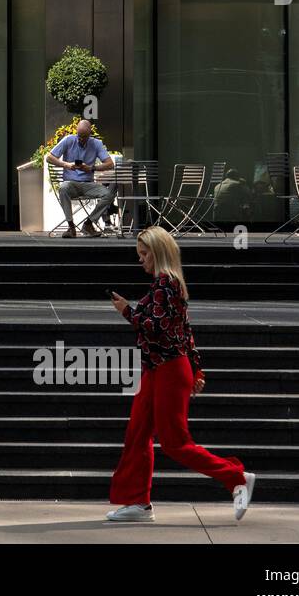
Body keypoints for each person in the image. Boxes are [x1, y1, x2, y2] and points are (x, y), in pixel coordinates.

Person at [105, 226, 256, 523]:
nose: (141, 260)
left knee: (175, 442)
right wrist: (197, 367)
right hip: (160, 369)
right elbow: (185, 331)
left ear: (158, 253)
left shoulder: (165, 284)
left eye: (145, 254)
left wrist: (126, 311)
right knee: (137, 433)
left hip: (169, 370)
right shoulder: (169, 285)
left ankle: (236, 477)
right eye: (140, 254)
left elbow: (158, 328)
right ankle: (138, 502)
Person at [45, 119, 116, 238]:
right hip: (71, 184)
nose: (80, 139)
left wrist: (91, 168)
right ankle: (71, 226)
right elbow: (49, 158)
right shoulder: (68, 140)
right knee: (63, 188)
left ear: (90, 134)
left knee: (108, 195)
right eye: (79, 135)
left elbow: (110, 164)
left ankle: (88, 224)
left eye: (84, 137)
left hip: (88, 184)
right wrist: (66, 164)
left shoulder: (96, 143)